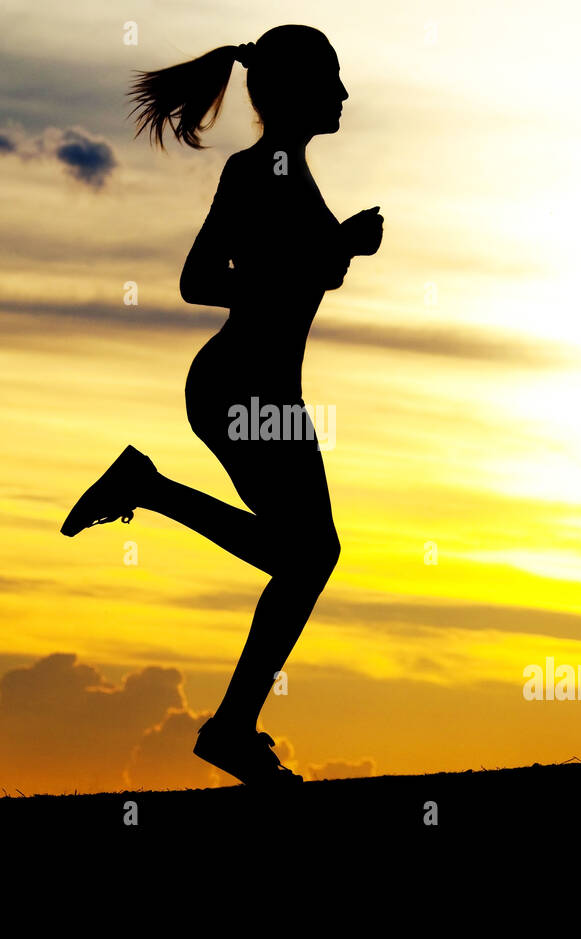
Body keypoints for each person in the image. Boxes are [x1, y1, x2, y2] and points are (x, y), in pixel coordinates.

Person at [62, 25, 383, 786]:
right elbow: (200, 280)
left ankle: (234, 724)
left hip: (267, 391)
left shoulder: (290, 169)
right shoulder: (255, 170)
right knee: (307, 554)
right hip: (241, 387)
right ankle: (231, 725)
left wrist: (333, 247)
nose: (342, 95)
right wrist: (330, 249)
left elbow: (290, 270)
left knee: (307, 555)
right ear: (296, 91)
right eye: (331, 80)